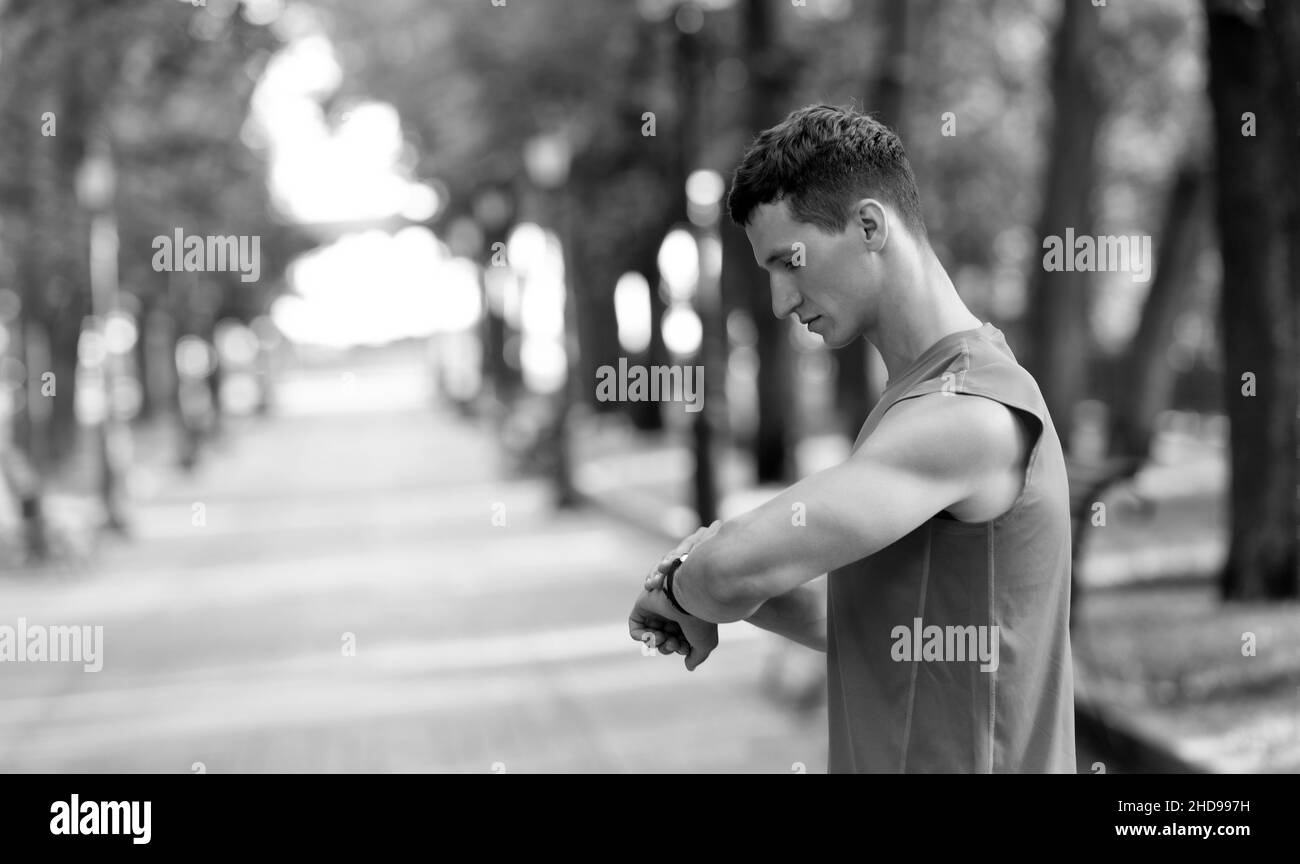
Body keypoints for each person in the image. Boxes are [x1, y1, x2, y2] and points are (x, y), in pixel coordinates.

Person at [628, 104, 1075, 774]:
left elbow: (728, 571)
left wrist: (695, 578)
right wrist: (694, 583)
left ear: (869, 225)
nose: (781, 301)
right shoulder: (918, 400)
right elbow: (876, 628)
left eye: (790, 262)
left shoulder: (967, 413)